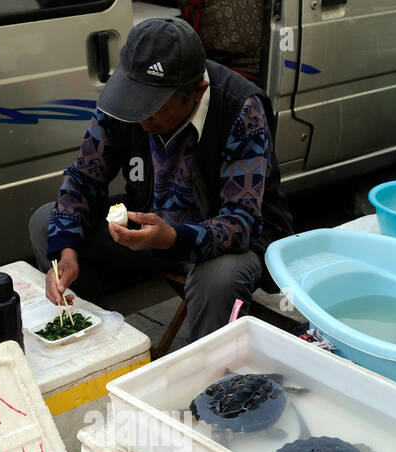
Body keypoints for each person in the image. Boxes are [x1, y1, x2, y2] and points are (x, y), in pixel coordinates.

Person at [29, 16, 293, 342]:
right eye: (134, 101)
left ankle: (210, 379)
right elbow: (83, 177)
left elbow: (240, 222)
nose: (141, 117)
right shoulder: (124, 101)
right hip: (151, 222)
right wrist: (65, 248)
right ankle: (98, 346)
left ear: (197, 92)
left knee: (220, 278)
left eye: (154, 108)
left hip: (227, 240)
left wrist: (172, 238)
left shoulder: (241, 107)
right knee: (48, 224)